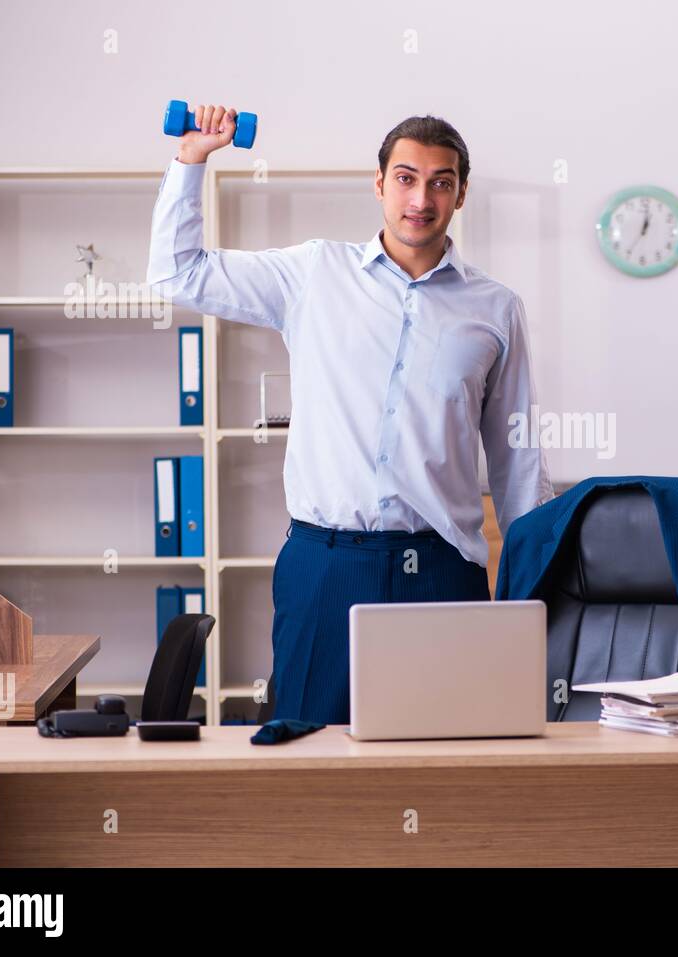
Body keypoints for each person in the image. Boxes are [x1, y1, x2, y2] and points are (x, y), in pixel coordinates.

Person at [147, 107, 553, 723]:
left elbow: (517, 460)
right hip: (325, 565)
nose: (422, 198)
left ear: (461, 194)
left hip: (442, 570)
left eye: (441, 182)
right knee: (307, 752)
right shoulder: (314, 272)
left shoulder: (495, 308)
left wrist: (531, 593)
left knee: (450, 750)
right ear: (380, 183)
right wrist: (193, 159)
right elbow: (179, 274)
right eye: (407, 178)